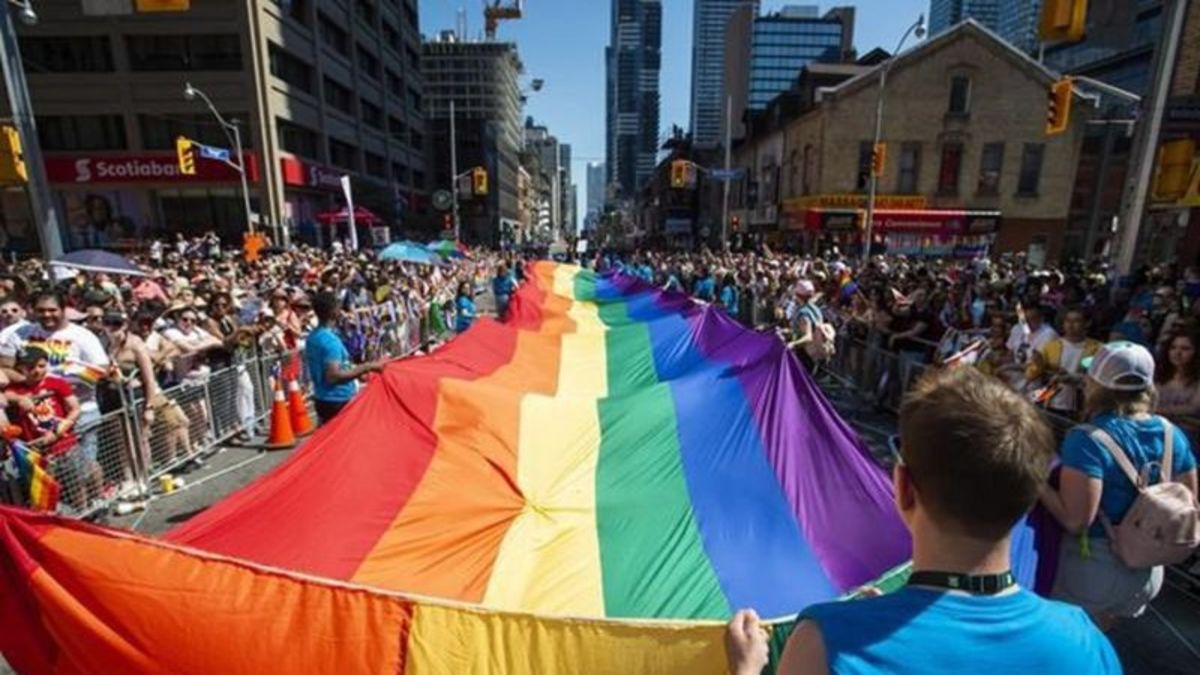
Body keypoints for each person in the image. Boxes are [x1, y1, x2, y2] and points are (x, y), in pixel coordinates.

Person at [726, 367, 1120, 675]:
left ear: (904, 488)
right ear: (1030, 496)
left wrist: (747, 669)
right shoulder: (1084, 639)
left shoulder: (825, 641)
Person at [1039, 341, 1197, 629]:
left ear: (1096, 383)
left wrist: (1036, 479)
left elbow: (1076, 521)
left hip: (1093, 568)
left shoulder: (1087, 438)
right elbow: (1189, 502)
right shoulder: (1172, 433)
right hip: (1147, 569)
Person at [3, 346, 89, 510]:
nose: (36, 371)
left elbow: (75, 408)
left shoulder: (56, 383)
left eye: (41, 366)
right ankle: (51, 520)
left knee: (77, 482)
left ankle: (85, 514)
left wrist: (58, 431)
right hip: (36, 450)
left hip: (64, 445)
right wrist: (18, 398)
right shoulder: (13, 388)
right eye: (30, 367)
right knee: (44, 491)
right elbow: (4, 394)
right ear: (19, 368)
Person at [304, 291, 381, 426]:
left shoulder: (313, 337)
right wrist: (367, 367)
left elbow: (338, 366)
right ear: (334, 312)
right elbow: (333, 376)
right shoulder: (329, 341)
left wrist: (356, 372)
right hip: (337, 400)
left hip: (322, 397)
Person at [1025, 307, 1102, 418]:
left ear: (1087, 323)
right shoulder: (1051, 347)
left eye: (1076, 321)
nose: (1070, 325)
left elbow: (1098, 380)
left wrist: (1075, 378)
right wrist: (1039, 364)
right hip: (1049, 403)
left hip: (1081, 408)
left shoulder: (1098, 349)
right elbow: (1030, 374)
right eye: (1067, 321)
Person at [1156, 331, 1200, 442]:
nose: (1177, 353)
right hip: (1157, 432)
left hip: (1188, 437)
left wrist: (1158, 410)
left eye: (1185, 348)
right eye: (1173, 348)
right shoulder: (1160, 378)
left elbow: (1193, 409)